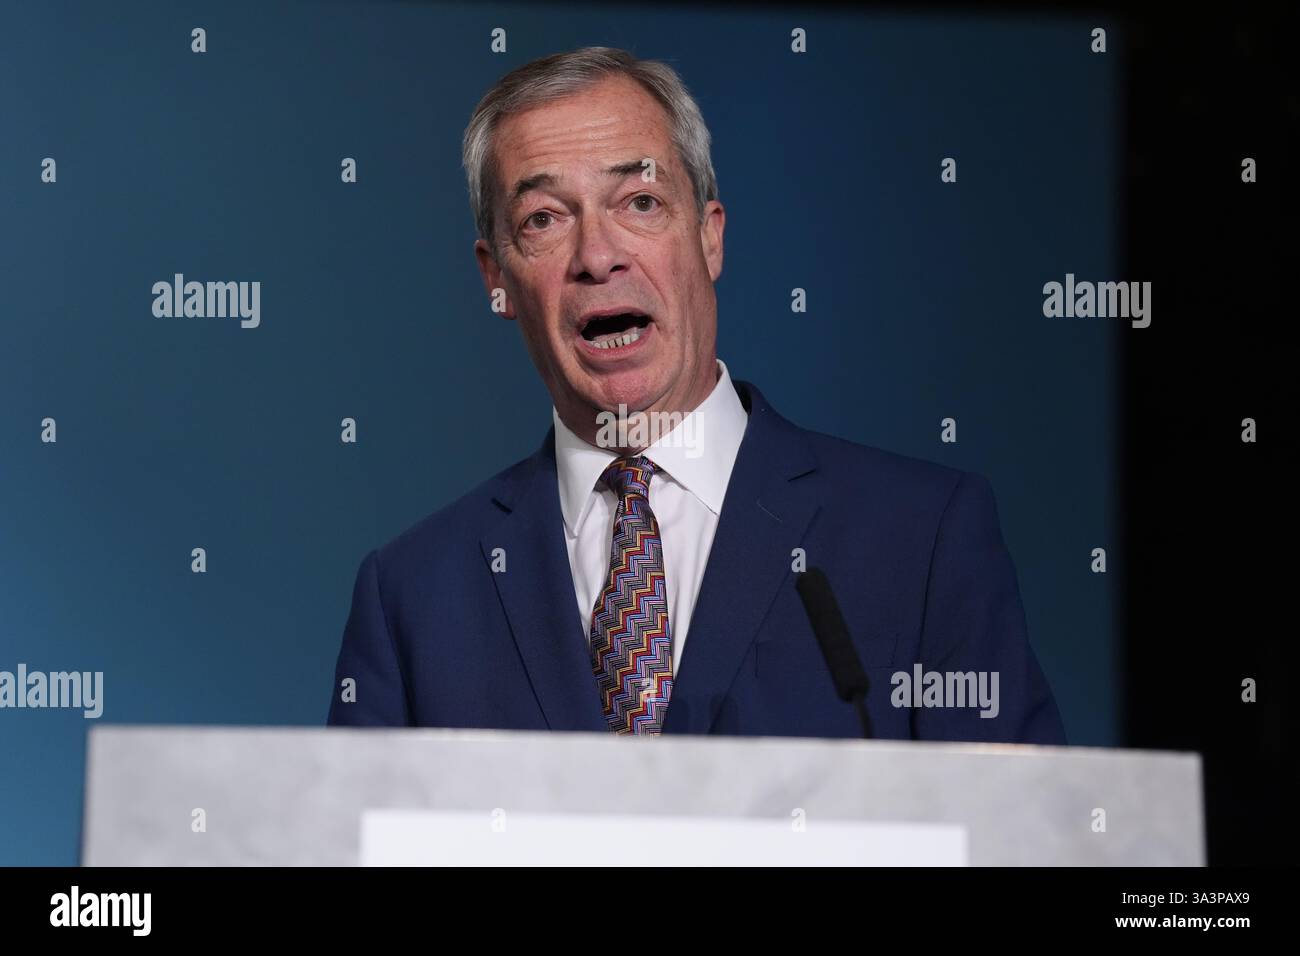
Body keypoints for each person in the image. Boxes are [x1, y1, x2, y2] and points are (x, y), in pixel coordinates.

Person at [327, 47, 1066, 743]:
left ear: (710, 238)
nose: (597, 255)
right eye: (544, 219)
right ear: (497, 278)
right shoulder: (412, 597)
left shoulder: (923, 535)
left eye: (640, 202)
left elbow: (1020, 834)